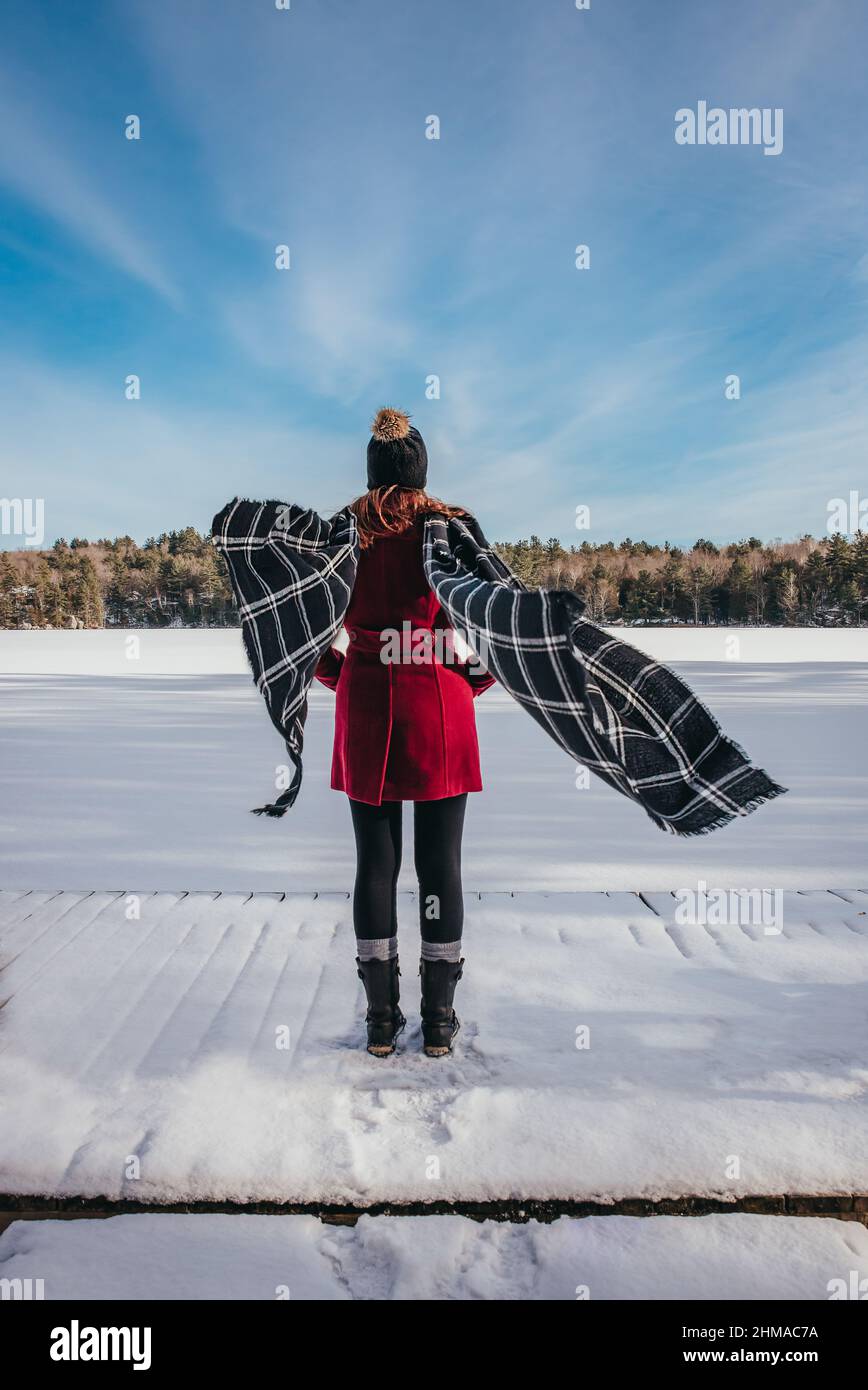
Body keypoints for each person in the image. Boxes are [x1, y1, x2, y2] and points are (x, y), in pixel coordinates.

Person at [314, 408, 494, 1058]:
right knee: (441, 864)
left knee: (375, 865)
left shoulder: (341, 535)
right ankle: (440, 1024)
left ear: (371, 470)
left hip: (366, 711)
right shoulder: (452, 531)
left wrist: (343, 674)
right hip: (441, 707)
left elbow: (298, 629)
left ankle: (382, 1023)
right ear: (421, 469)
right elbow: (504, 621)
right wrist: (470, 680)